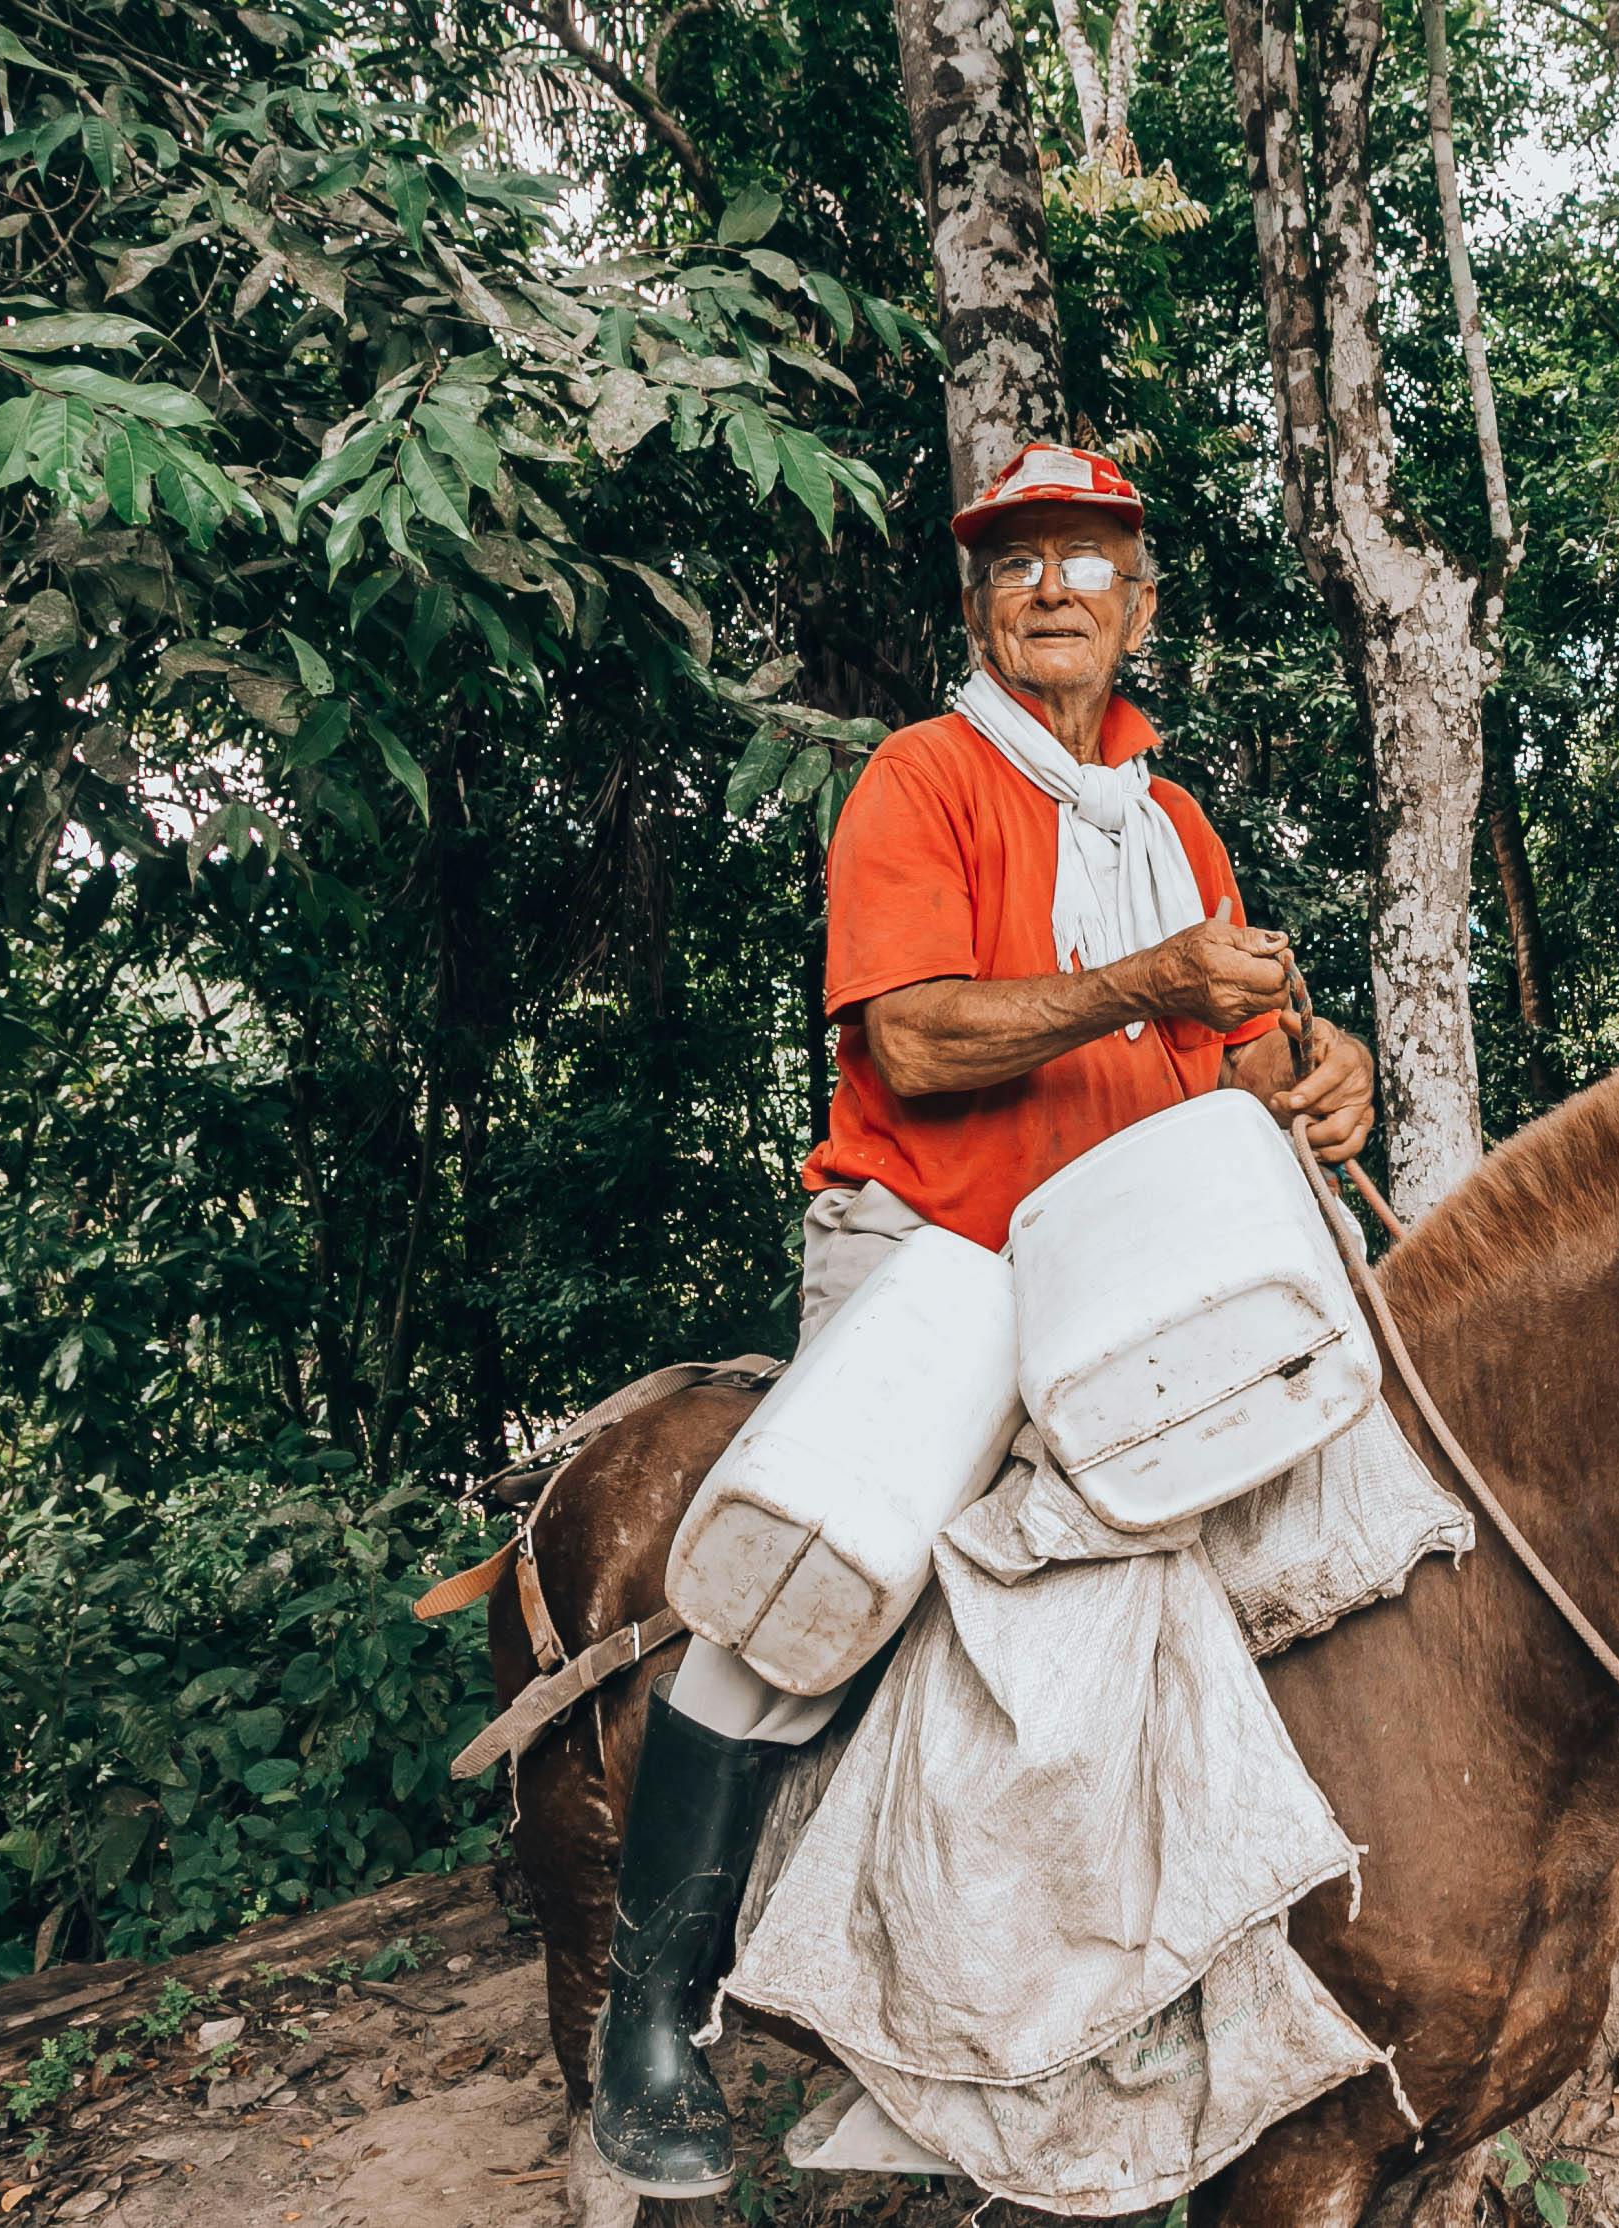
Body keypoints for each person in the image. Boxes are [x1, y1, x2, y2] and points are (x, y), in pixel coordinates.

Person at [591, 442, 1383, 2197]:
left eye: (1085, 559)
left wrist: (1320, 1074)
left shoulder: (1175, 826)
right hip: (934, 1251)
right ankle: (654, 2018)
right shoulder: (923, 777)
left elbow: (1239, 1063)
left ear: (1139, 607)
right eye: (1016, 562)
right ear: (978, 606)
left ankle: (1150, 1998)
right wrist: (1146, 979)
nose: (1050, 587)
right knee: (813, 1581)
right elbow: (915, 1042)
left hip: (1127, 1269)